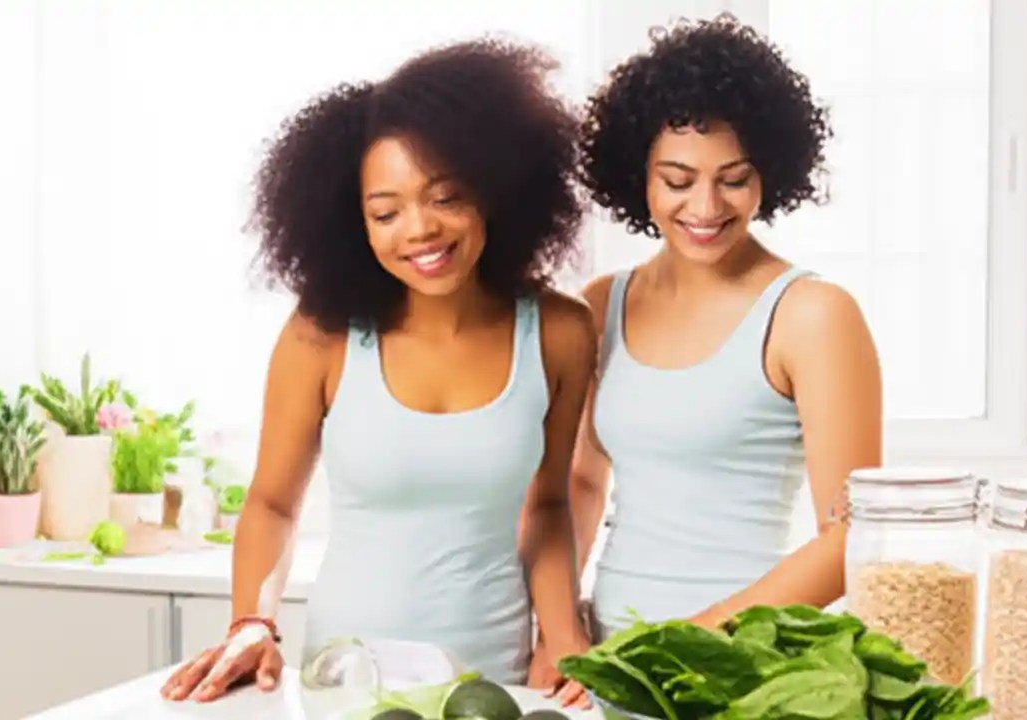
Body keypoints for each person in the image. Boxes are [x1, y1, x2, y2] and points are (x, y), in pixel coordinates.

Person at [160, 37, 596, 706]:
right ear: (353, 224)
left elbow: (546, 505)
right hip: (344, 678)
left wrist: (561, 636)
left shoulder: (559, 333)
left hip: (491, 681)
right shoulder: (323, 335)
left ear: (495, 191)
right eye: (385, 213)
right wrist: (252, 620)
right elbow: (274, 504)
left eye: (445, 197)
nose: (418, 230)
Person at [566, 14, 883, 642]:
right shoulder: (602, 305)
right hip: (609, 659)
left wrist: (697, 635)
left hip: (737, 660)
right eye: (678, 181)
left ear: (770, 174)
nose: (706, 208)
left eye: (733, 180)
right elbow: (580, 480)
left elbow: (854, 532)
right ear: (640, 178)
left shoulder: (811, 314)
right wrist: (556, 628)